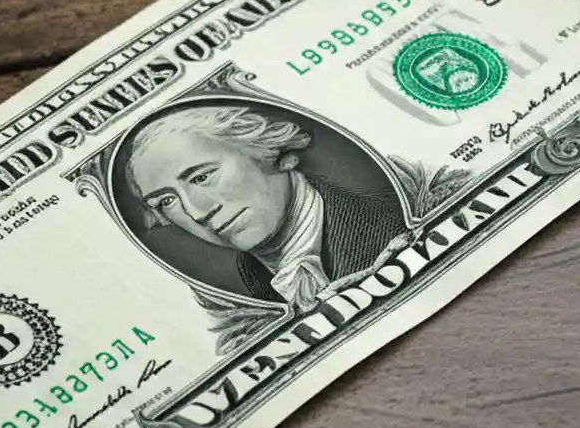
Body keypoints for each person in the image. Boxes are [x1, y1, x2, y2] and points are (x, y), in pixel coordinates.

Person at [122, 105, 409, 310]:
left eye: (202, 177)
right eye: (166, 202)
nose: (197, 213)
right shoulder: (252, 290)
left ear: (268, 151)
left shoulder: (392, 223)